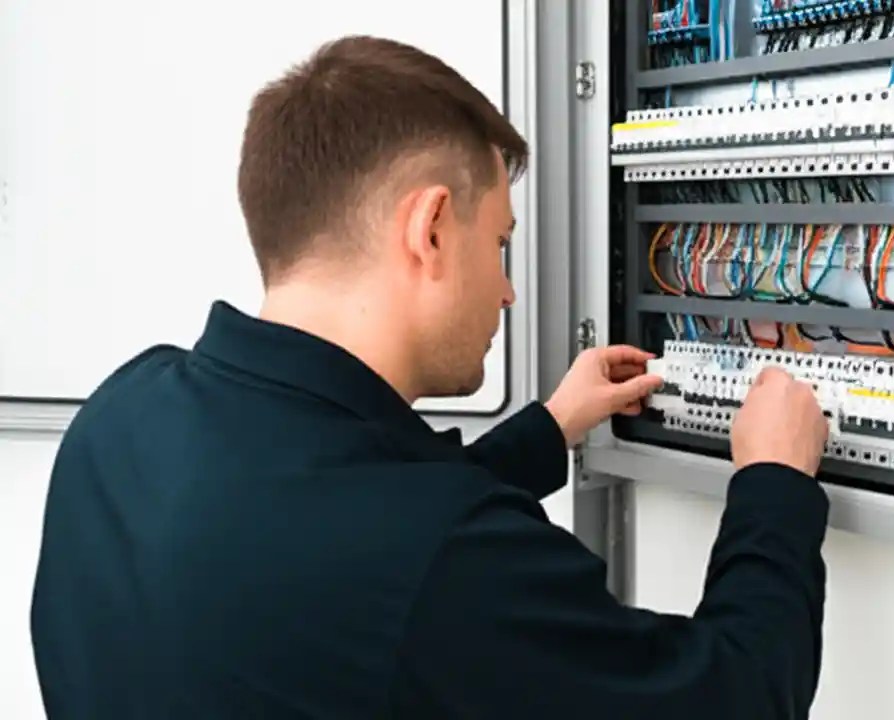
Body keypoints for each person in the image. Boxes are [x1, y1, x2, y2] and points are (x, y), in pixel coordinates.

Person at [30, 35, 831, 719]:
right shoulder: (437, 557)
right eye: (500, 244)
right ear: (432, 228)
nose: (508, 289)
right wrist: (773, 483)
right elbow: (733, 696)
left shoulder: (121, 416)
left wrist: (548, 430)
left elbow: (336, 529)